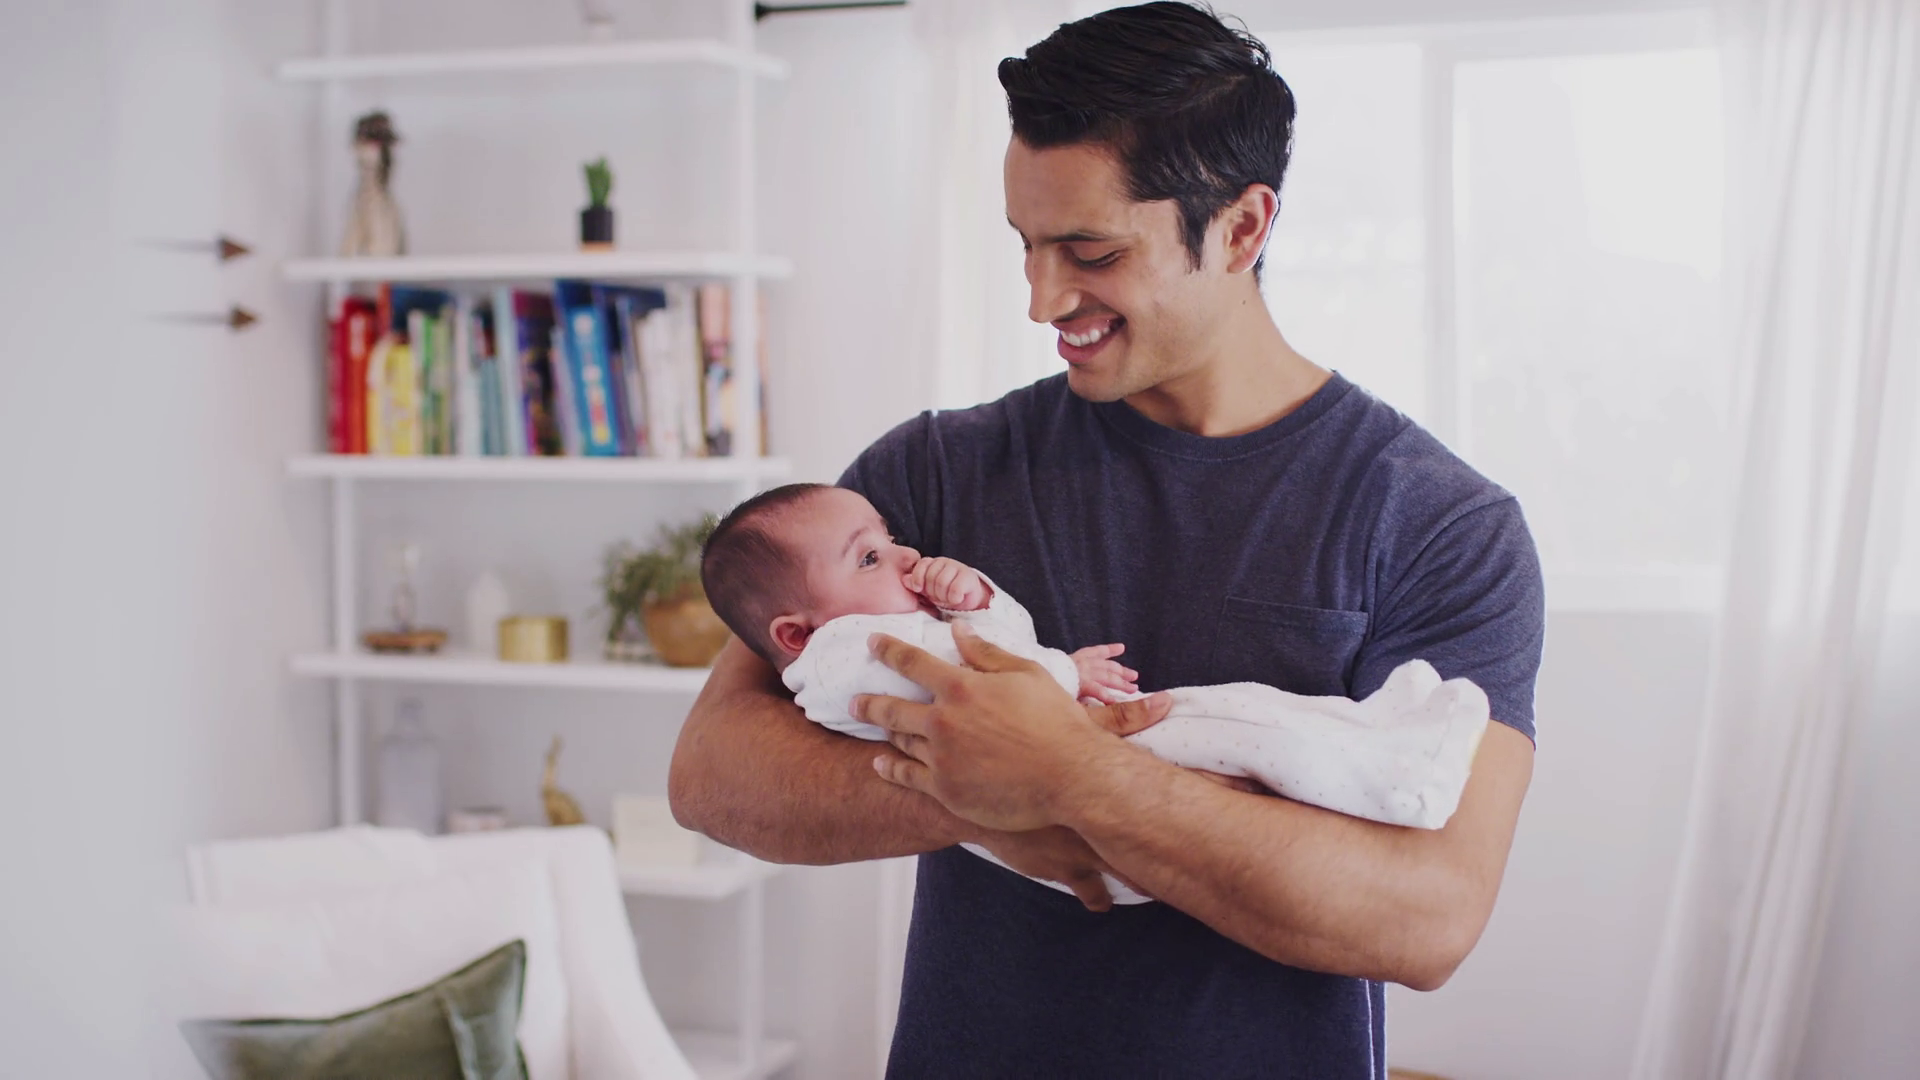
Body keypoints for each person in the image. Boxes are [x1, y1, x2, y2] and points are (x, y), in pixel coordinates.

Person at [669, 3, 1545, 1077]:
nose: (1043, 299)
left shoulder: (1440, 524)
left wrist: (1073, 780)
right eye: (1027, 247)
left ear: (1240, 228)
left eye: (1089, 250)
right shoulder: (929, 478)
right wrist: (968, 791)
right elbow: (714, 775)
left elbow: (1428, 920)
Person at [696, 481, 1492, 883]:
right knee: (1240, 731)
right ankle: (1396, 776)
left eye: (892, 540)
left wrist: (972, 594)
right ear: (794, 634)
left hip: (1082, 748)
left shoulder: (1445, 518)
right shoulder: (841, 655)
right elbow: (996, 682)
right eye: (871, 557)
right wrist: (1057, 680)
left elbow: (999, 652)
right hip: (1086, 769)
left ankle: (1381, 740)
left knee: (1241, 715)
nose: (903, 558)